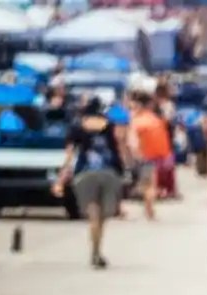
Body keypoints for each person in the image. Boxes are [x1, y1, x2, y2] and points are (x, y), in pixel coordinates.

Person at [54, 97, 128, 270]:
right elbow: (119, 147)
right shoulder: (109, 125)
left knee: (93, 216)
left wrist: (60, 180)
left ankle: (94, 251)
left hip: (85, 174)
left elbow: (69, 155)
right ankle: (97, 251)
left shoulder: (77, 127)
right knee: (102, 218)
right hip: (109, 173)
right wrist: (127, 170)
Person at [128, 92, 171, 221]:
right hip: (155, 156)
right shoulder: (155, 120)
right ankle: (149, 208)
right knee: (149, 184)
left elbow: (132, 141)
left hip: (142, 156)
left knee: (148, 185)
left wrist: (134, 154)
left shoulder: (136, 121)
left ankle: (149, 209)